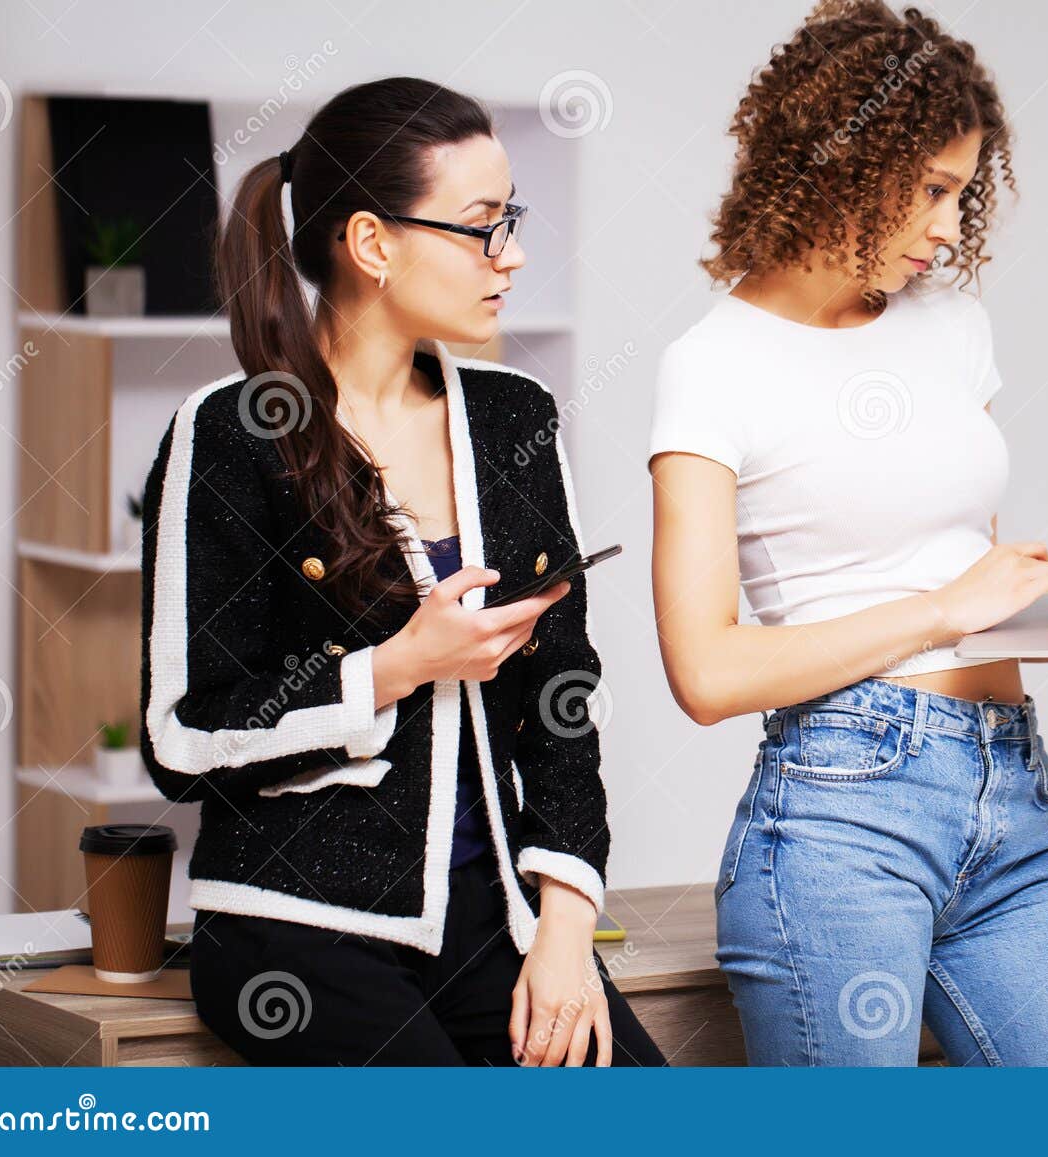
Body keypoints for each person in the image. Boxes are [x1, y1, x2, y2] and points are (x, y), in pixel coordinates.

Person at [647, 0, 1048, 1066]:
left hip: (1007, 791)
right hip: (841, 818)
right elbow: (706, 670)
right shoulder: (713, 365)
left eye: (961, 191)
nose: (949, 226)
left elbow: (980, 592)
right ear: (841, 159)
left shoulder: (952, 329)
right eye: (931, 188)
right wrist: (943, 608)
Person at [140, 76, 663, 1067]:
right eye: (479, 227)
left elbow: (563, 692)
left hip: (487, 913)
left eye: (509, 220)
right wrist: (397, 664)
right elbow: (183, 732)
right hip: (287, 925)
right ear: (372, 243)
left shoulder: (514, 414)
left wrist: (562, 925)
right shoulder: (232, 430)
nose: (508, 255)